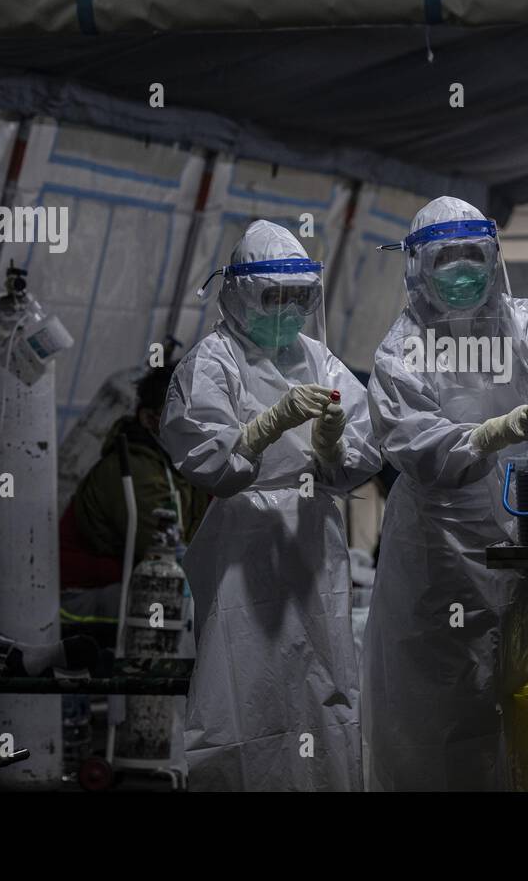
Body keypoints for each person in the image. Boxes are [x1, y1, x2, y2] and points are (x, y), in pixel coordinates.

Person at [361, 196, 528, 791]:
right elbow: (415, 446)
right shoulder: (400, 349)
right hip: (435, 551)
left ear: (493, 257)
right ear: (418, 267)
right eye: (447, 257)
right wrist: (491, 434)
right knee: (436, 706)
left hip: (515, 539)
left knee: (510, 693)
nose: (462, 269)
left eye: (472, 254)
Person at [160, 220, 381, 791]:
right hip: (244, 540)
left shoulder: (318, 358)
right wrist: (263, 428)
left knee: (321, 686)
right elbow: (204, 459)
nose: (287, 309)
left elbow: (362, 450)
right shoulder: (213, 362)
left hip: (311, 545)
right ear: (238, 293)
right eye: (273, 295)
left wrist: (332, 443)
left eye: (298, 296)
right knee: (240, 691)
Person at [62, 366, 212, 599]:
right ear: (149, 419)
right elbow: (166, 556)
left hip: (126, 588)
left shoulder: (186, 466)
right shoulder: (134, 471)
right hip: (79, 596)